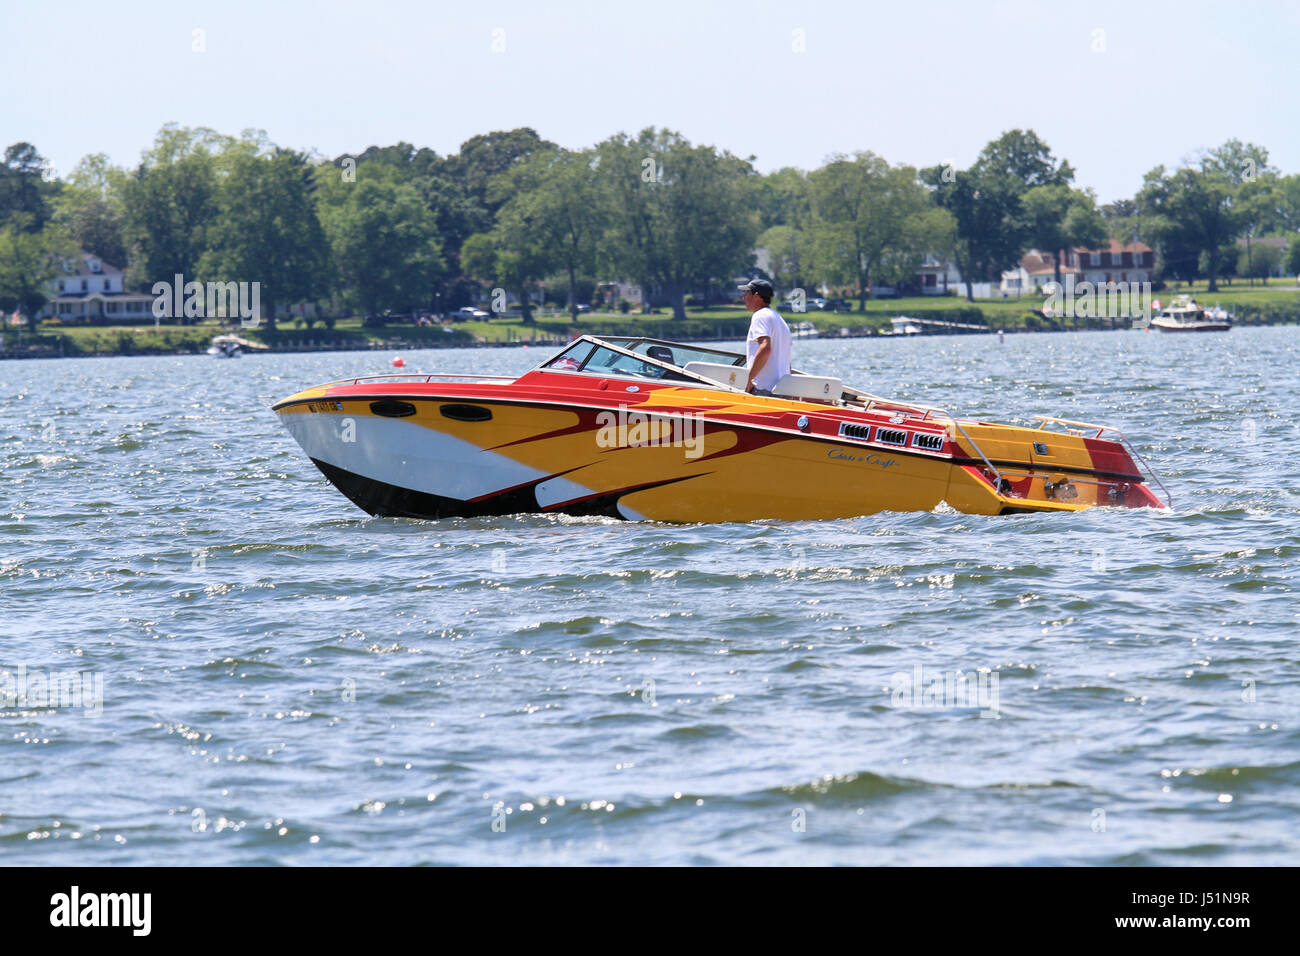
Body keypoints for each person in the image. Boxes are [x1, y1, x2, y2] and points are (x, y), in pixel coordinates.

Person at [738, 279, 791, 395]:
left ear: (756, 296)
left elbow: (765, 348)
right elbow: (787, 361)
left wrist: (749, 380)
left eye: (746, 294)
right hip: (782, 391)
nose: (743, 298)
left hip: (763, 390)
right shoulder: (779, 319)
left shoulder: (760, 316)